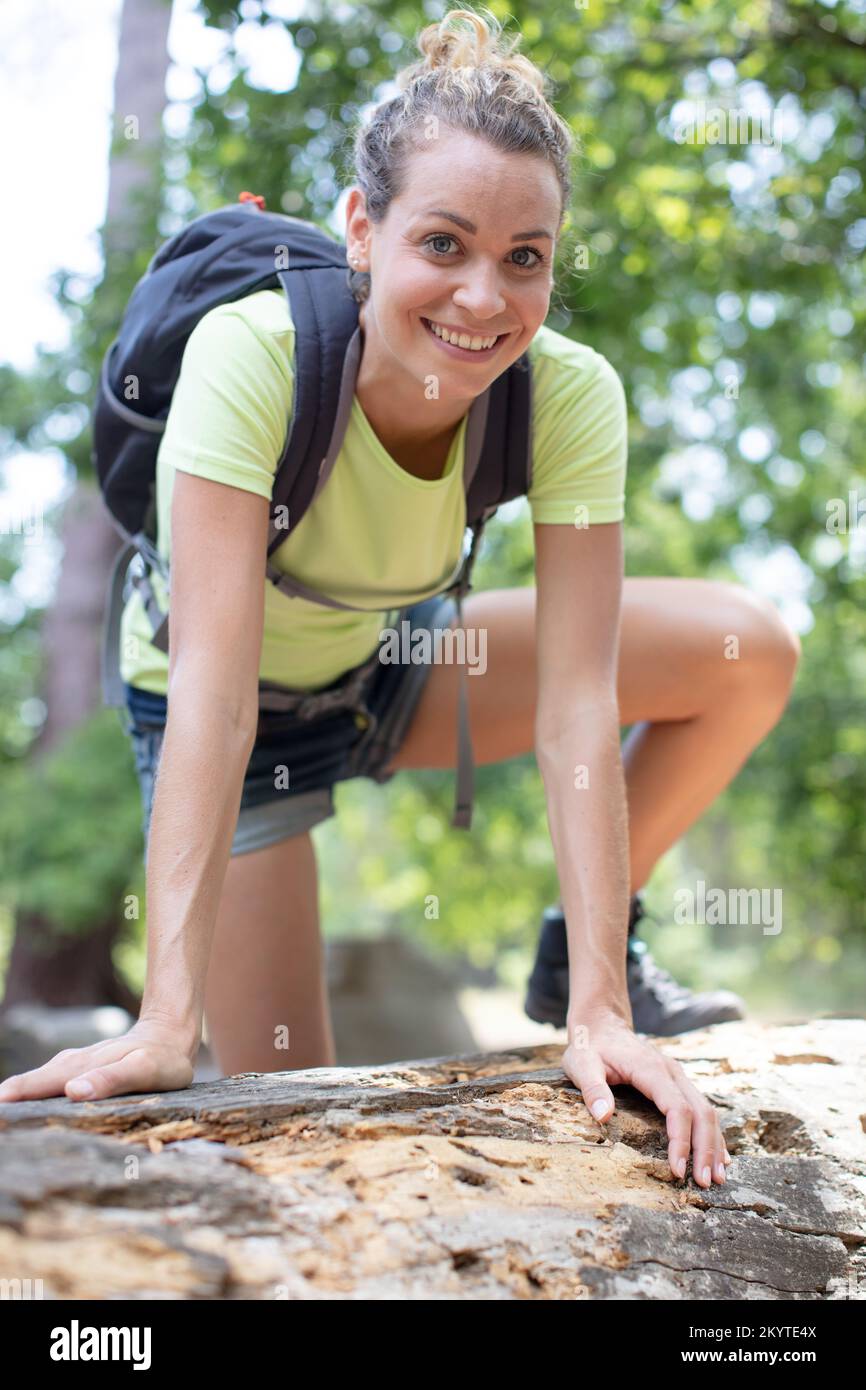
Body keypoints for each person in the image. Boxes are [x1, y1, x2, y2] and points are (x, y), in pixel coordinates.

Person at [0, 8, 800, 1190]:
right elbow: (215, 699)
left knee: (747, 648)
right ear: (362, 232)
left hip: (396, 656)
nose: (484, 298)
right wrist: (167, 1017)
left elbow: (579, 706)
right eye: (444, 243)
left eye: (523, 256)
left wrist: (600, 1009)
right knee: (296, 1118)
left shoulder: (567, 397)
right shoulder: (253, 358)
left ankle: (580, 960)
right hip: (240, 713)